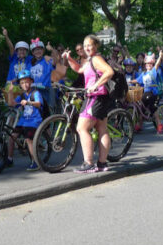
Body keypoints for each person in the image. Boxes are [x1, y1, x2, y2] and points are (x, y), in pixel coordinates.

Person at [62, 35, 115, 173]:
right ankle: (102, 164)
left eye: (89, 45)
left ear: (96, 45)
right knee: (101, 129)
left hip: (95, 97)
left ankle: (89, 163)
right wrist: (69, 58)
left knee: (81, 128)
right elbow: (80, 69)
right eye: (85, 46)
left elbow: (109, 72)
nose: (87, 48)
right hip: (101, 97)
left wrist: (96, 85)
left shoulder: (97, 59)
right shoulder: (90, 60)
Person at [7, 70, 43, 171]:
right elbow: (12, 104)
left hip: (34, 121)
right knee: (11, 137)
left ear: (31, 82)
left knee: (28, 139)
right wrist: (10, 93)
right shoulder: (22, 95)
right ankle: (9, 159)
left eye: (27, 82)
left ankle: (35, 161)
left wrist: (28, 102)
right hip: (23, 121)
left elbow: (39, 103)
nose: (25, 85)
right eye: (22, 83)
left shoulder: (35, 93)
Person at [137, 50, 163, 133]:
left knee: (153, 109)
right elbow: (138, 80)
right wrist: (129, 82)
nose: (148, 65)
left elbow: (157, 64)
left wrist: (160, 56)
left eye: (150, 64)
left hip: (153, 93)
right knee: (141, 108)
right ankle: (140, 125)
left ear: (152, 65)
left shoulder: (153, 71)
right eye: (147, 64)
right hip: (146, 93)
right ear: (145, 65)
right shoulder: (144, 74)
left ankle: (159, 125)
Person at [28, 38, 55, 113]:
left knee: (48, 110)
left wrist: (52, 50)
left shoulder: (47, 60)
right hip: (34, 90)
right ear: (33, 52)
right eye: (35, 50)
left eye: (39, 49)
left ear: (43, 50)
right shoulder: (30, 64)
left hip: (45, 90)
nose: (38, 51)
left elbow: (55, 61)